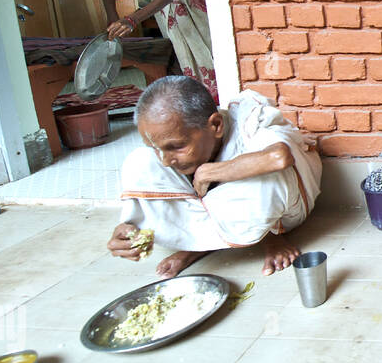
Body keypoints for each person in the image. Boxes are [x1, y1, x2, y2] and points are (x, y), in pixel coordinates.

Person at [106, 76, 322, 278]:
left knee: (270, 177)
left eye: (177, 146)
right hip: (216, 210)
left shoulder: (249, 120)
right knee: (139, 162)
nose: (165, 160)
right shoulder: (170, 152)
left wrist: (207, 172)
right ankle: (199, 245)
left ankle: (270, 237)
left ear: (216, 125)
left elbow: (279, 157)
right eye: (157, 148)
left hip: (283, 216)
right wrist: (130, 225)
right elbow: (154, 171)